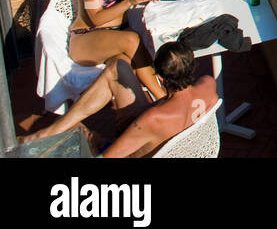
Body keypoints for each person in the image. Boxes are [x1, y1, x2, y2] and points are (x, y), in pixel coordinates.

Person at [25, 42, 219, 158]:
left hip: (151, 146)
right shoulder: (208, 84)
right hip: (178, 142)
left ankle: (84, 138)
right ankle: (57, 134)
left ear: (160, 78)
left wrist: (93, 142)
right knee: (118, 66)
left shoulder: (153, 118)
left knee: (81, 132)